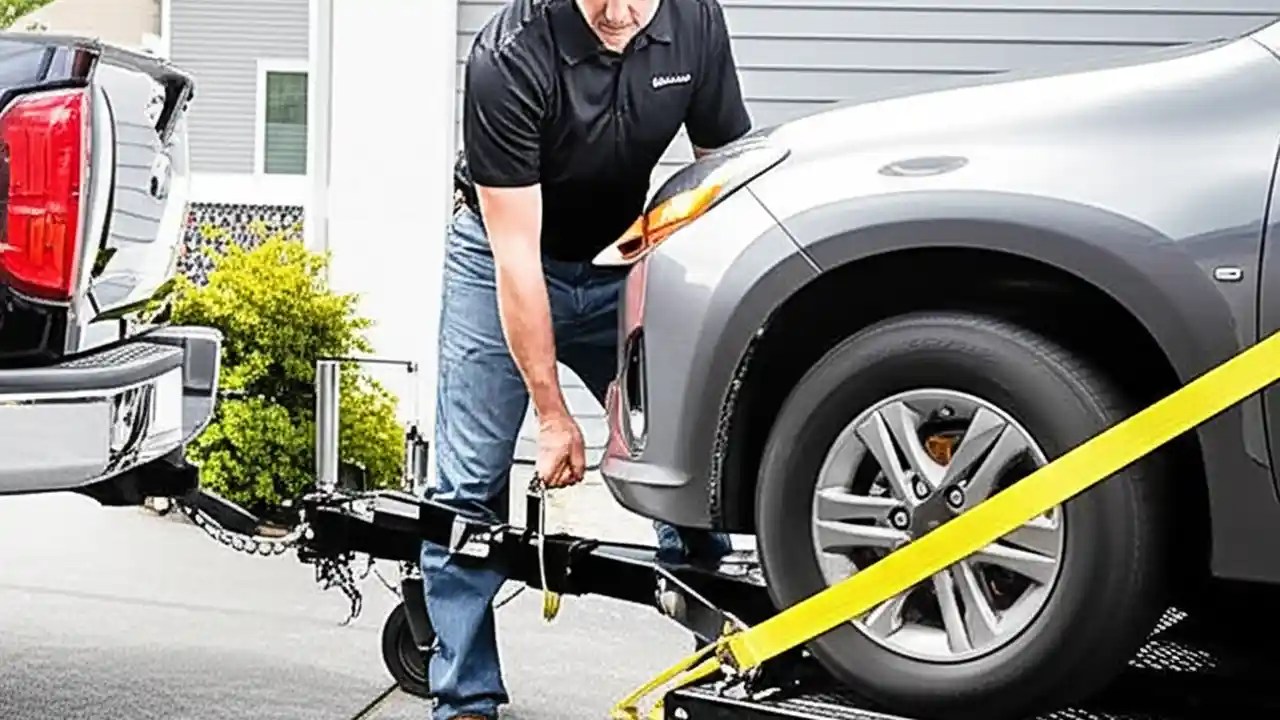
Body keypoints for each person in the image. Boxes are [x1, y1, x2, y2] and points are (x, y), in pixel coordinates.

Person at [419, 0, 753, 717]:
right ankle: (465, 699)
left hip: (621, 260)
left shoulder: (694, 22)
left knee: (691, 463)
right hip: (502, 261)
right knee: (468, 485)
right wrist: (552, 413)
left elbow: (726, 180)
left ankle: (719, 678)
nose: (617, 11)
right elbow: (515, 257)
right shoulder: (508, 56)